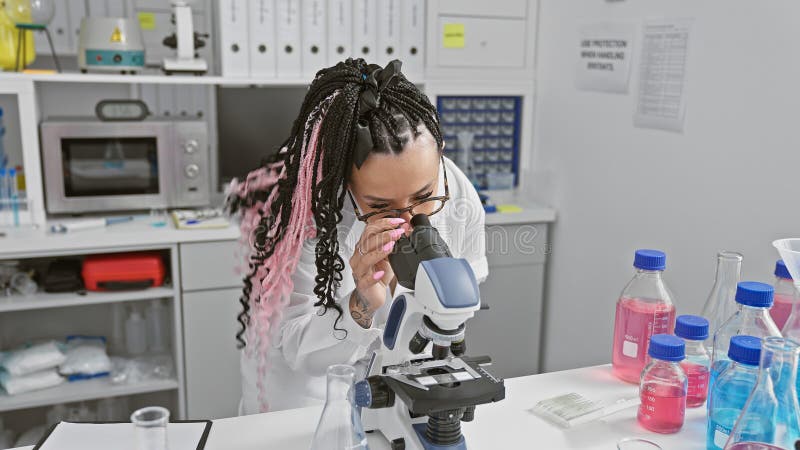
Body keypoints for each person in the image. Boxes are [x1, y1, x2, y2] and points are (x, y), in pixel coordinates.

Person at [226, 58, 488, 414]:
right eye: (381, 206)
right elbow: (298, 351)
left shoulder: (458, 195)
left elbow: (461, 296)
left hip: (398, 382)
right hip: (305, 399)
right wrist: (362, 302)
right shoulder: (302, 215)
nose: (408, 221)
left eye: (424, 196)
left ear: (439, 154)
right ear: (346, 183)